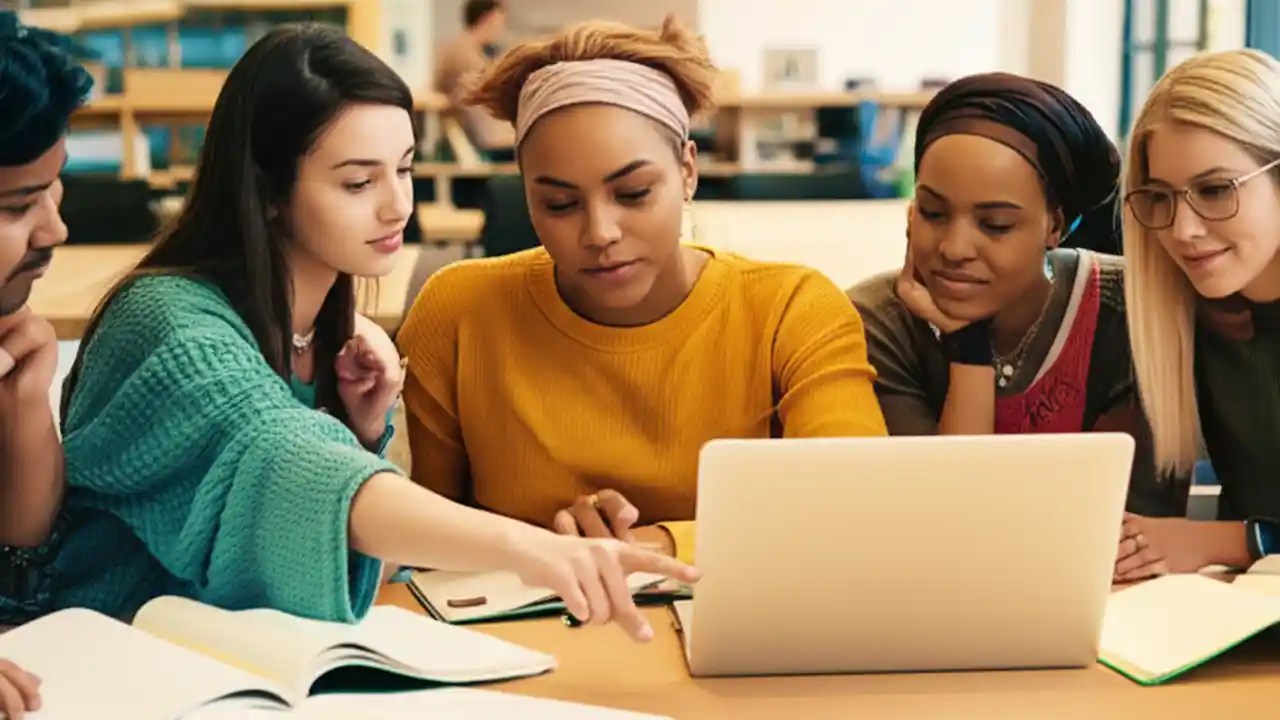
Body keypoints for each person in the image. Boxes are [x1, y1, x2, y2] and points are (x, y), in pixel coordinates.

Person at [55, 23, 695, 642]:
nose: (397, 205)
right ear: (269, 189)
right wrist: (533, 547)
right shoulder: (168, 322)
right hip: (112, 657)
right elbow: (279, 458)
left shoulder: (324, 332)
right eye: (358, 182)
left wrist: (362, 432)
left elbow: (350, 559)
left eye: (406, 169)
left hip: (244, 656)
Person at [396, 16, 888, 567]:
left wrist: (648, 548)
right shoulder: (459, 311)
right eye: (560, 204)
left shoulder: (791, 310)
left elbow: (852, 507)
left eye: (632, 194)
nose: (600, 233)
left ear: (687, 171)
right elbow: (415, 536)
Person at [847, 72, 1184, 518]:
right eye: (933, 213)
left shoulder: (1129, 312)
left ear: (1055, 226)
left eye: (995, 225)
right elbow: (944, 518)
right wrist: (968, 347)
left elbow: (1135, 526)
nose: (954, 248)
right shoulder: (875, 324)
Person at [1117, 48, 1280, 581]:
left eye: (1215, 190)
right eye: (1160, 198)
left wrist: (1230, 540)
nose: (1181, 230)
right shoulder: (1171, 314)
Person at [0, 11, 93, 719]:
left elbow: (24, 611)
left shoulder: (18, 352)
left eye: (53, 189)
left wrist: (28, 423)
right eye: (19, 206)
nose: (55, 228)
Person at [433, 0, 514, 158]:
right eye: (501, 23)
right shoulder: (467, 58)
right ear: (489, 19)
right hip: (474, 148)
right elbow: (483, 128)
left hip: (472, 140)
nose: (501, 30)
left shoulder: (459, 49)